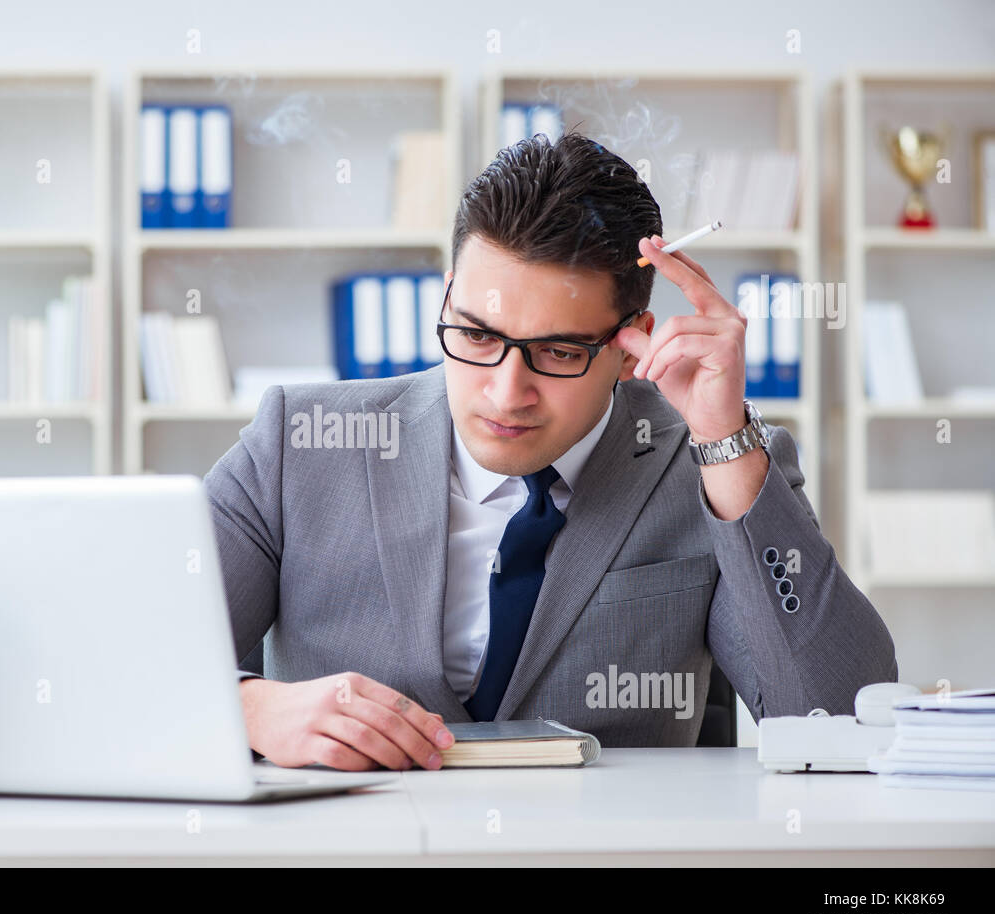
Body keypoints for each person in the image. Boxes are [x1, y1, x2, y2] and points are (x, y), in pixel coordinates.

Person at [204, 131, 897, 772]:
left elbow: (844, 721)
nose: (507, 394)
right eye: (477, 336)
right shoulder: (298, 445)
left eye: (560, 351)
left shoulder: (712, 465)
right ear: (445, 300)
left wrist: (726, 443)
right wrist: (247, 707)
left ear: (632, 344)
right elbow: (113, 662)